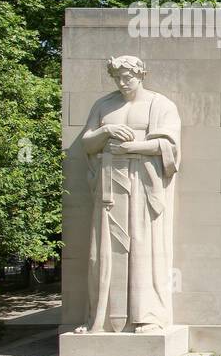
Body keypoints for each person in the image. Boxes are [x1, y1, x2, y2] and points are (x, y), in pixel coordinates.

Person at [73, 56, 181, 333]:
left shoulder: (160, 105)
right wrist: (106, 130)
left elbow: (169, 147)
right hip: (108, 186)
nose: (122, 82)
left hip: (143, 186)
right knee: (105, 250)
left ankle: (147, 316)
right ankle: (102, 319)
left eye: (127, 77)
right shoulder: (103, 106)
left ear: (141, 74)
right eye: (117, 77)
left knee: (144, 248)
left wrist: (132, 148)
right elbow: (87, 144)